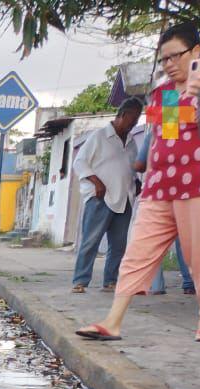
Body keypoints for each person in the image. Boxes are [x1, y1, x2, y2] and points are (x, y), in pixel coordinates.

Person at [75, 23, 200, 343]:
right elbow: (165, 139)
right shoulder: (164, 92)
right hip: (162, 185)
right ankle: (113, 321)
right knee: (137, 251)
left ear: (196, 51)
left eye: (175, 56)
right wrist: (149, 176)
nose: (168, 64)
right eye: (163, 58)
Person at [70, 98, 145, 293]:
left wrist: (136, 182)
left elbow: (131, 168)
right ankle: (80, 281)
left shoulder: (130, 142)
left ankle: (110, 281)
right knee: (91, 241)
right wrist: (96, 181)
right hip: (100, 198)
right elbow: (79, 163)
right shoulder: (99, 136)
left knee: (118, 245)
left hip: (124, 199)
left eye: (137, 120)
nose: (134, 124)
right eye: (133, 119)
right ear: (122, 115)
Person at [134, 128, 197, 295]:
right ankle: (190, 282)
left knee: (152, 241)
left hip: (159, 189)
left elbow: (139, 165)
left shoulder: (156, 131)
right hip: (187, 190)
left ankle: (153, 285)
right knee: (184, 239)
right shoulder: (194, 131)